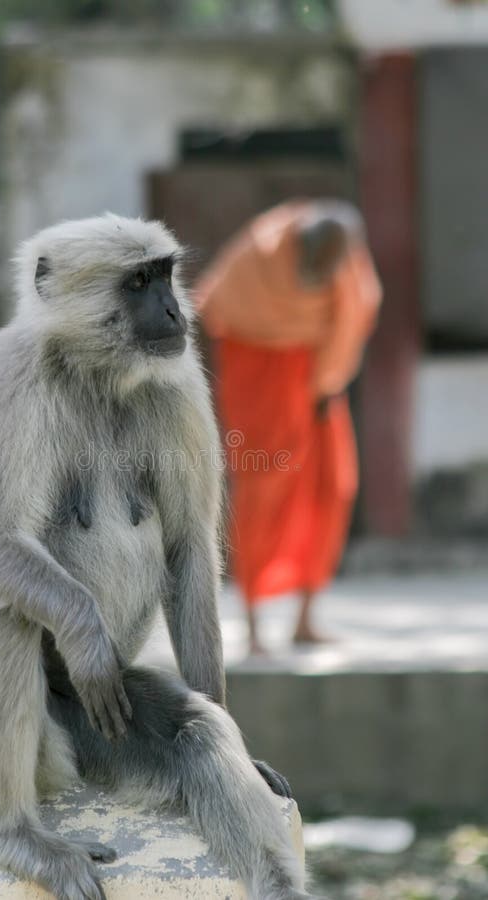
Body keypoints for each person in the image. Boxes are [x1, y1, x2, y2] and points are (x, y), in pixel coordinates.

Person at [194, 200, 382, 652]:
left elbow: (355, 314)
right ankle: (254, 626)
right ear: (302, 246)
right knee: (262, 492)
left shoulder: (346, 261)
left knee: (331, 487)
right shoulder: (261, 250)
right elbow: (216, 305)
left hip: (319, 383)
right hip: (260, 381)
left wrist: (324, 382)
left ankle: (305, 619)